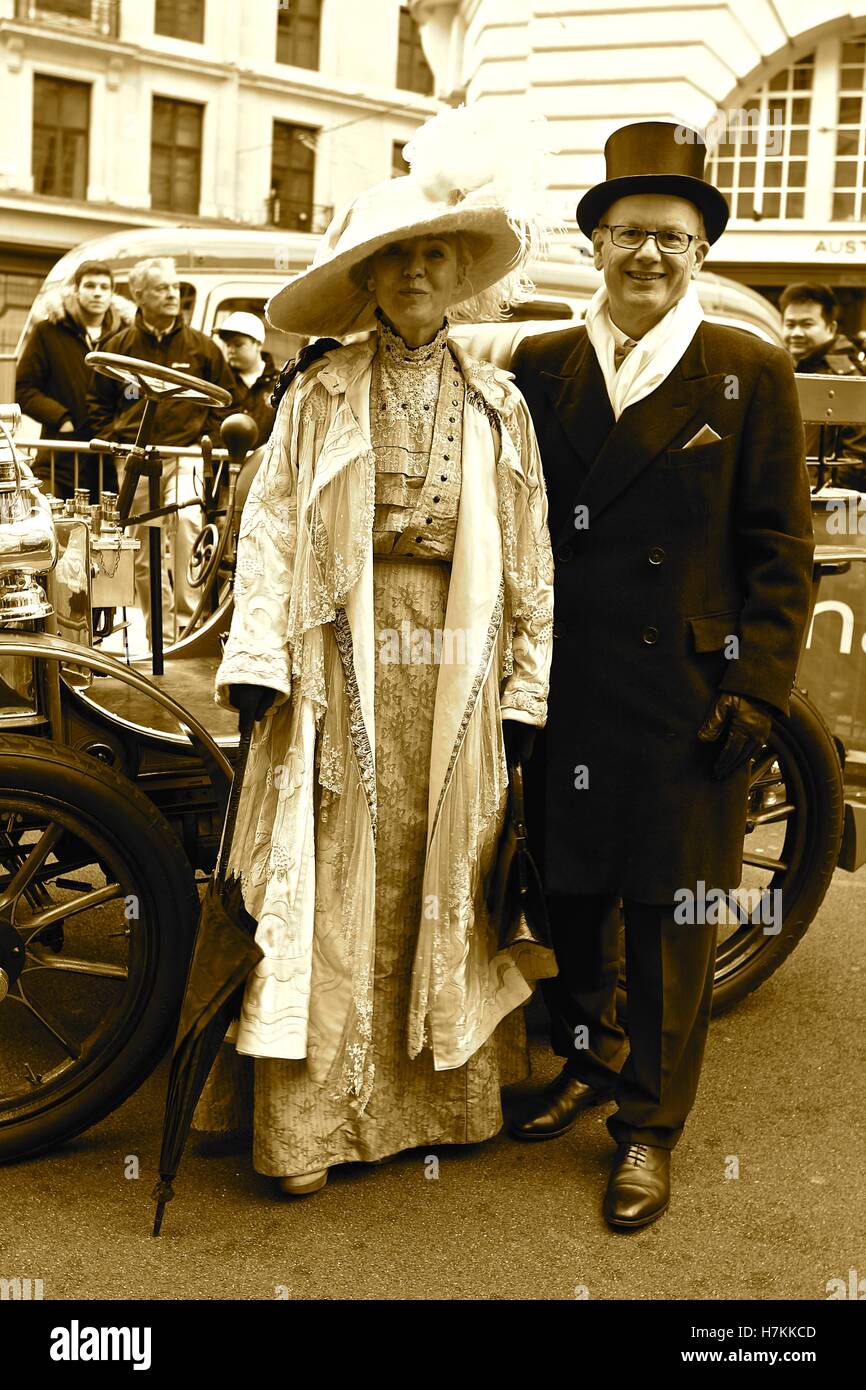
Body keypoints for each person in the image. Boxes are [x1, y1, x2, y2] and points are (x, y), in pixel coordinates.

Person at [209, 105, 554, 1196]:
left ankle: (437, 1105)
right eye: (398, 256)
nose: (417, 273)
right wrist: (261, 658)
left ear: (462, 277)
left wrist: (525, 682)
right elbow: (268, 525)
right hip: (339, 652)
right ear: (369, 277)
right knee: (327, 873)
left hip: (455, 661)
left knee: (443, 866)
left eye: (435, 255)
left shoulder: (499, 401)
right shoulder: (318, 390)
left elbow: (532, 547)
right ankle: (311, 1130)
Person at [510, 121, 815, 1229]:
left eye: (673, 239)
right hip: (561, 680)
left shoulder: (747, 369)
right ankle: (588, 1060)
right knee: (572, 896)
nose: (648, 256)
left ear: (700, 255)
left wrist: (758, 688)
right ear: (592, 242)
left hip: (689, 694)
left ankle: (649, 1127)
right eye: (629, 233)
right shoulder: (539, 365)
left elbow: (778, 547)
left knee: (672, 913)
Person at [86, 256, 237, 643]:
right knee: (145, 550)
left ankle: (187, 631)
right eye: (162, 288)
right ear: (138, 295)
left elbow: (227, 403)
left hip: (185, 457)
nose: (173, 295)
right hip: (137, 461)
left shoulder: (203, 348)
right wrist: (117, 441)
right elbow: (97, 402)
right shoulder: (119, 346)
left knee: (187, 528)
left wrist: (209, 444)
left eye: (175, 287)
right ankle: (160, 637)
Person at [16, 261, 134, 498]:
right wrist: (62, 419)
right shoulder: (48, 331)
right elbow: (24, 389)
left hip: (109, 460)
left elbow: (133, 388)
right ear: (76, 291)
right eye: (90, 285)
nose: (97, 292)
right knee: (57, 524)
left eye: (104, 286)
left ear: (112, 294)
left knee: (105, 531)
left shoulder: (126, 337)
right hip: (61, 456)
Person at [780, 282, 866, 489]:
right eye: (790, 324)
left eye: (807, 324)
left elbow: (857, 457)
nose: (796, 333)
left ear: (831, 327)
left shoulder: (847, 377)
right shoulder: (790, 368)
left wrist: (822, 491)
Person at [214, 311, 280, 447]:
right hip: (222, 463)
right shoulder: (219, 381)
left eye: (238, 345)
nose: (231, 350)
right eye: (227, 345)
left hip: (265, 464)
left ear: (258, 344)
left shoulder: (280, 383)